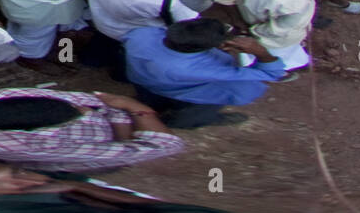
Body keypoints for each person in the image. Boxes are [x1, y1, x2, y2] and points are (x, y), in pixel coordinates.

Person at [0, 88, 187, 173]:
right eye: (75, 114)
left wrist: (122, 113)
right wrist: (137, 111)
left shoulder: (3, 97)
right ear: (33, 130)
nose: (84, 108)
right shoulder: (33, 145)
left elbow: (100, 101)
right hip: (32, 159)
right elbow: (163, 145)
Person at [119, 17, 290, 129]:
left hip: (142, 80)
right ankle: (177, 123)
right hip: (183, 91)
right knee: (197, 111)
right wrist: (258, 51)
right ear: (204, 48)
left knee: (151, 100)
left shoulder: (141, 34)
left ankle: (151, 107)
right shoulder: (205, 67)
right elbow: (273, 74)